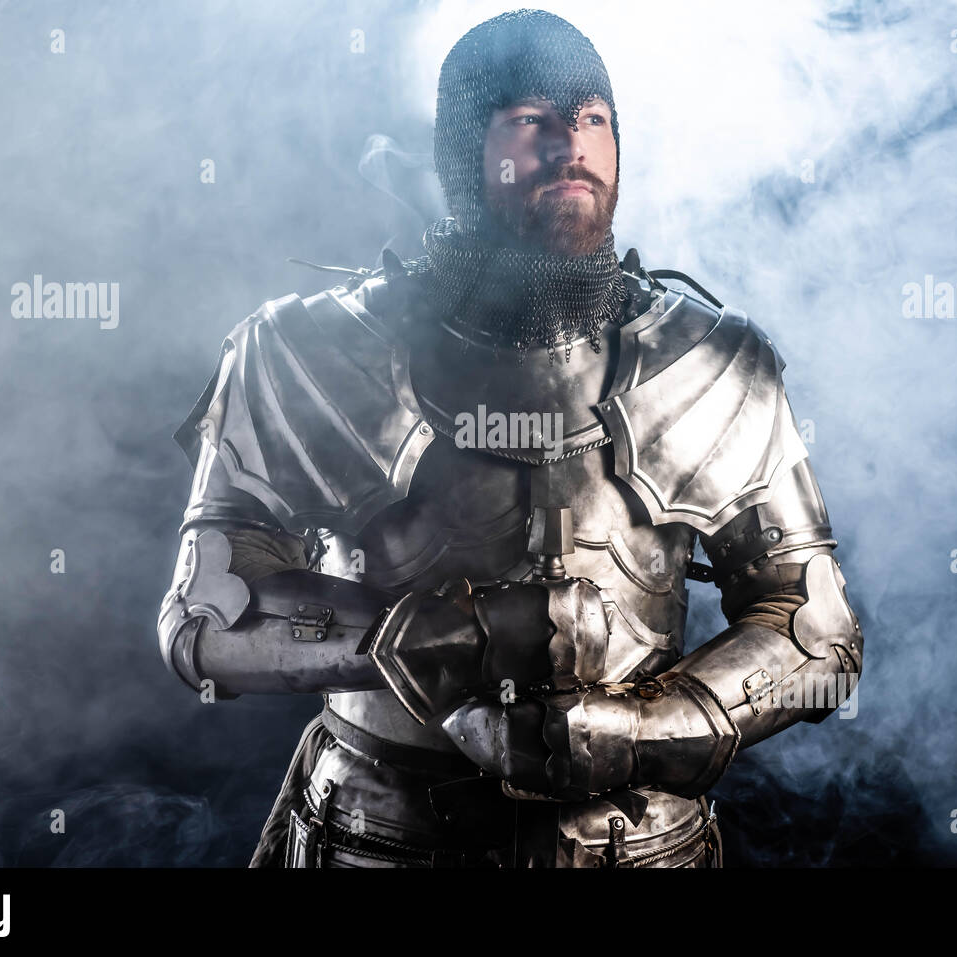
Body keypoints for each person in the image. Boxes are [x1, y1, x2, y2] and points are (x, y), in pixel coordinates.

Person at [157, 8, 864, 868]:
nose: (572, 144)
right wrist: (453, 637)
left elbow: (816, 626)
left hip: (638, 846)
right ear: (464, 155)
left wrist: (647, 729)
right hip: (379, 839)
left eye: (593, 119)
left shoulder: (715, 361)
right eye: (532, 120)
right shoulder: (302, 351)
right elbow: (206, 618)